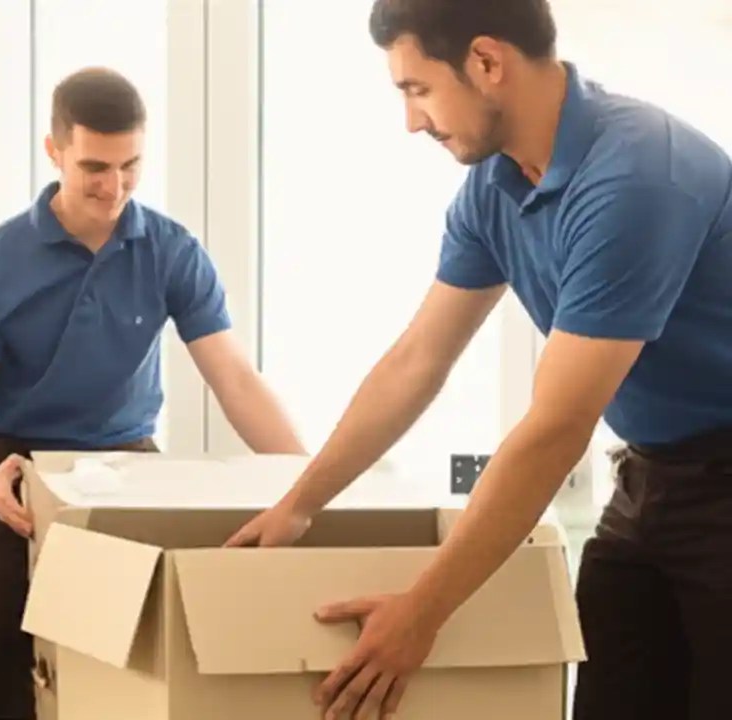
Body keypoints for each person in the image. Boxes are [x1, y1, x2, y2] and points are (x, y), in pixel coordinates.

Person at [226, 1, 732, 718]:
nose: (411, 121)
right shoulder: (494, 188)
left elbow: (558, 425)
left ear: (487, 63)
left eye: (417, 90)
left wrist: (421, 613)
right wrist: (300, 504)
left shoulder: (638, 176)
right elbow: (416, 361)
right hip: (652, 478)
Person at [0, 66, 308, 720]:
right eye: (95, 167)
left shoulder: (171, 251)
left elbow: (235, 380)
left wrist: (311, 482)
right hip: (14, 465)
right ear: (54, 152)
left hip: (125, 461)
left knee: (122, 650)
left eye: (131, 166)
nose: (114, 186)